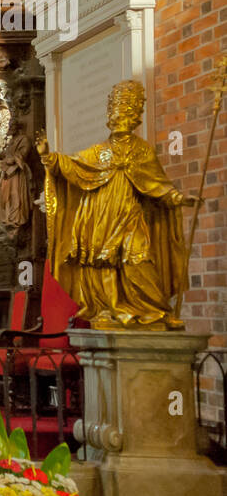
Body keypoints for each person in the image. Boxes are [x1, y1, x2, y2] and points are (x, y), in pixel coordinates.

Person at [37, 80, 191, 329]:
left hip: (130, 217)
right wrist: (48, 157)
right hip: (101, 219)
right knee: (103, 267)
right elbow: (73, 166)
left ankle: (156, 310)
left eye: (127, 114)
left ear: (135, 118)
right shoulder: (100, 152)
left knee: (139, 260)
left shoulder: (142, 151)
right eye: (117, 114)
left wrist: (177, 198)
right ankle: (112, 309)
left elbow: (157, 184)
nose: (121, 119)